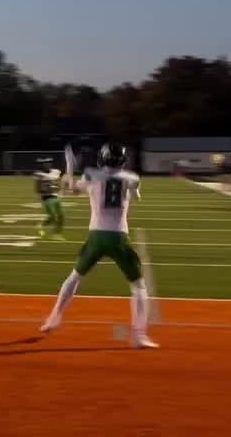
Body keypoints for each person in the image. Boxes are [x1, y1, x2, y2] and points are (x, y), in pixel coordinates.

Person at [40, 143, 157, 349]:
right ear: (122, 160)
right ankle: (139, 335)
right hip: (119, 237)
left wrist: (68, 168)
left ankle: (54, 317)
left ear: (102, 157)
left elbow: (70, 190)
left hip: (96, 237)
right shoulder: (132, 178)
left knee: (74, 277)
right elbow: (136, 197)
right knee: (138, 286)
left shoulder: (91, 175)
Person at [33, 157, 66, 240]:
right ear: (43, 165)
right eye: (46, 163)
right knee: (52, 217)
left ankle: (57, 234)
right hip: (46, 197)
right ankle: (41, 225)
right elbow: (37, 187)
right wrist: (41, 194)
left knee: (61, 215)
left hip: (56, 196)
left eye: (49, 163)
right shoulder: (39, 174)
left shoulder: (56, 171)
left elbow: (59, 181)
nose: (48, 164)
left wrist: (60, 189)